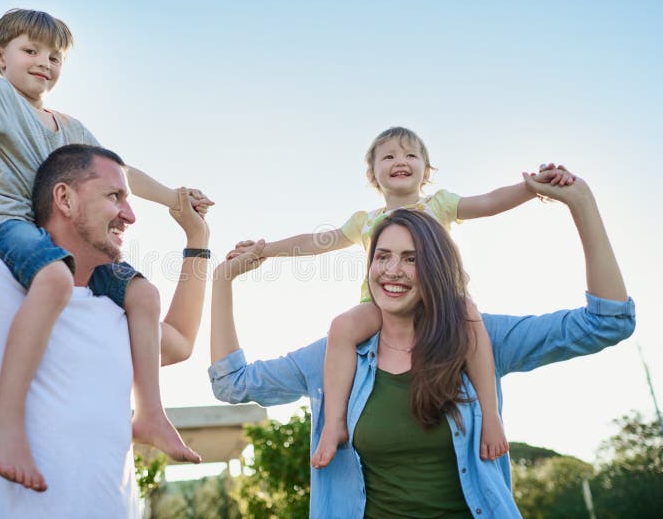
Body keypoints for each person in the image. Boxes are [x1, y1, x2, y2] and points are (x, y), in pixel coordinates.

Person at [0, 6, 213, 489]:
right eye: (30, 51)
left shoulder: (71, 129)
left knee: (144, 295)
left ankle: (152, 414)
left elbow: (122, 173)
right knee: (54, 276)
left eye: (54, 56)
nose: (44, 63)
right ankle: (5, 420)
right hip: (2, 226)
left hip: (51, 244)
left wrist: (175, 199)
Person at [210, 168, 635, 518]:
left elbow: (605, 323)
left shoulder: (475, 336)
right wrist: (222, 282)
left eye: (412, 259)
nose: (393, 271)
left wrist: (581, 203)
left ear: (436, 267)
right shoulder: (335, 354)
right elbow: (233, 384)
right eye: (383, 256)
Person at [0, 143, 210, 517]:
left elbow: (180, 340)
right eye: (115, 196)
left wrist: (198, 240)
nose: (130, 215)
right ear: (64, 198)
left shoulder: (119, 312)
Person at [230, 126, 576, 468]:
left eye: (411, 154)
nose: (401, 160)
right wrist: (266, 250)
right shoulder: (366, 221)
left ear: (426, 170)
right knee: (342, 326)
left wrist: (532, 188)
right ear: (373, 173)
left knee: (472, 317)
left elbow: (487, 202)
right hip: (384, 307)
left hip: (441, 304)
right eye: (390, 155)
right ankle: (335, 422)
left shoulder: (439, 204)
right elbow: (315, 242)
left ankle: (491, 416)